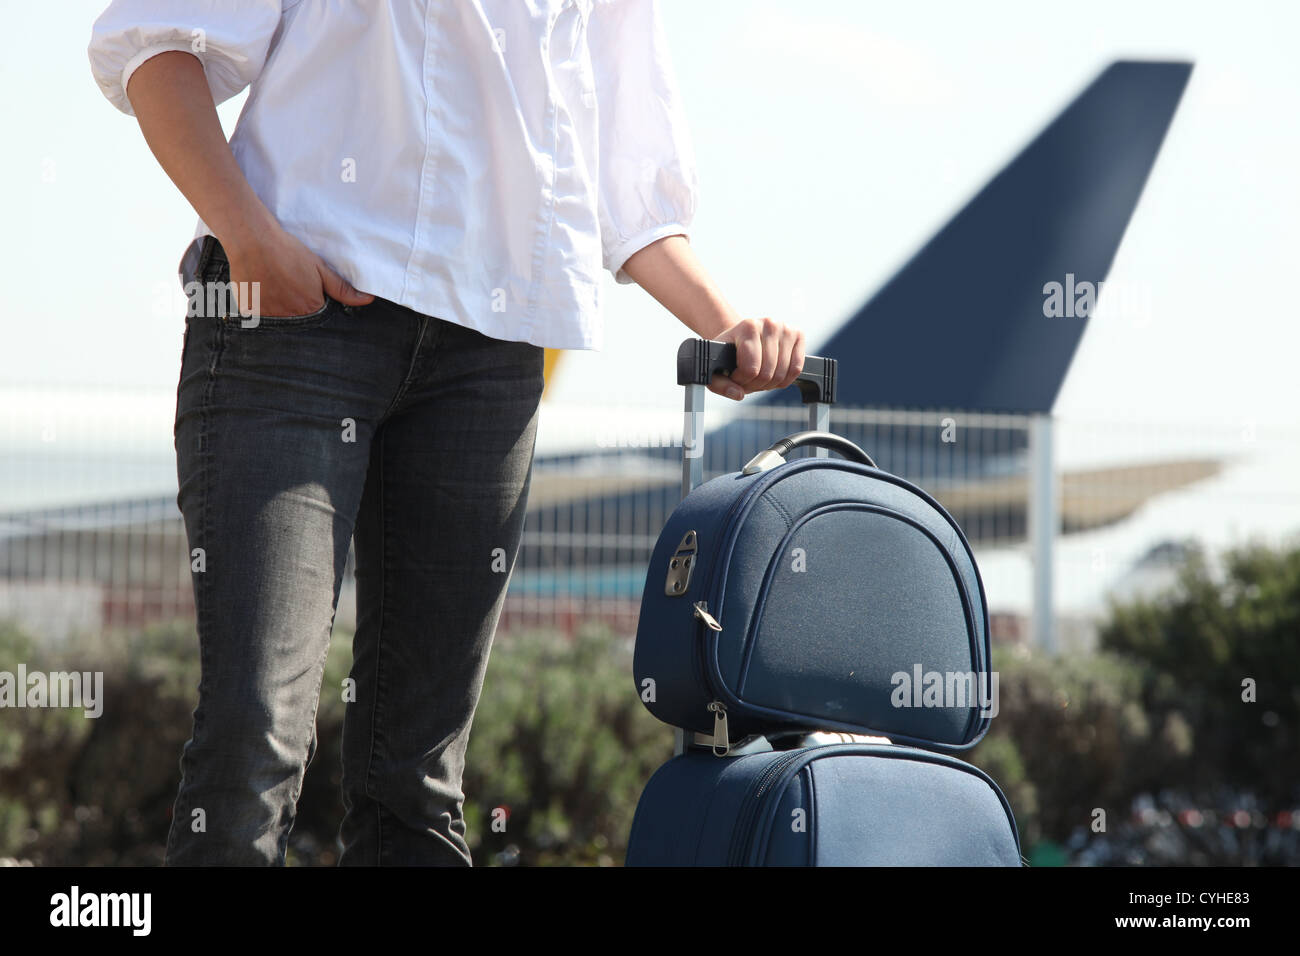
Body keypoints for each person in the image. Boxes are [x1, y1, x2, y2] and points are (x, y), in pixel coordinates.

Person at [88, 0, 806, 866]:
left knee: (418, 773)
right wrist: (248, 238)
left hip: (486, 358)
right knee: (257, 730)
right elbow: (158, 48)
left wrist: (727, 324)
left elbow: (629, 175)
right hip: (294, 321)